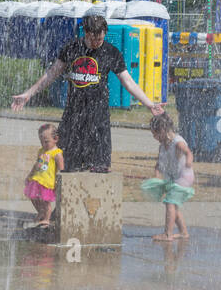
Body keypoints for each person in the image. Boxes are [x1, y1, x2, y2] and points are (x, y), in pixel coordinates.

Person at [12, 13, 165, 170]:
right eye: (93, 39)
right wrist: (28, 94)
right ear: (85, 32)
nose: (97, 43)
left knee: (98, 167)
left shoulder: (111, 52)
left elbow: (128, 82)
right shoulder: (72, 48)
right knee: (67, 166)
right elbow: (51, 73)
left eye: (100, 39)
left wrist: (149, 104)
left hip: (98, 118)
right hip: (73, 116)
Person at [142, 113, 195, 241]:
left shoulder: (177, 142)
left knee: (170, 203)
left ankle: (167, 234)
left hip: (184, 176)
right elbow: (158, 165)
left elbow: (188, 152)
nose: (154, 137)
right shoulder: (162, 146)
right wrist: (156, 179)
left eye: (155, 134)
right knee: (174, 205)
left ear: (163, 130)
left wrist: (189, 161)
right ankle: (183, 232)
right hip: (174, 178)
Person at [24, 123, 64, 228]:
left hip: (48, 182)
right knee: (34, 198)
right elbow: (36, 165)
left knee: (46, 202)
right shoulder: (41, 151)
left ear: (55, 139)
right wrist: (30, 175)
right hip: (37, 180)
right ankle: (41, 212)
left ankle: (47, 219)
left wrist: (57, 182)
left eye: (46, 142)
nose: (43, 144)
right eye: (41, 141)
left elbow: (61, 169)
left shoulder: (57, 153)